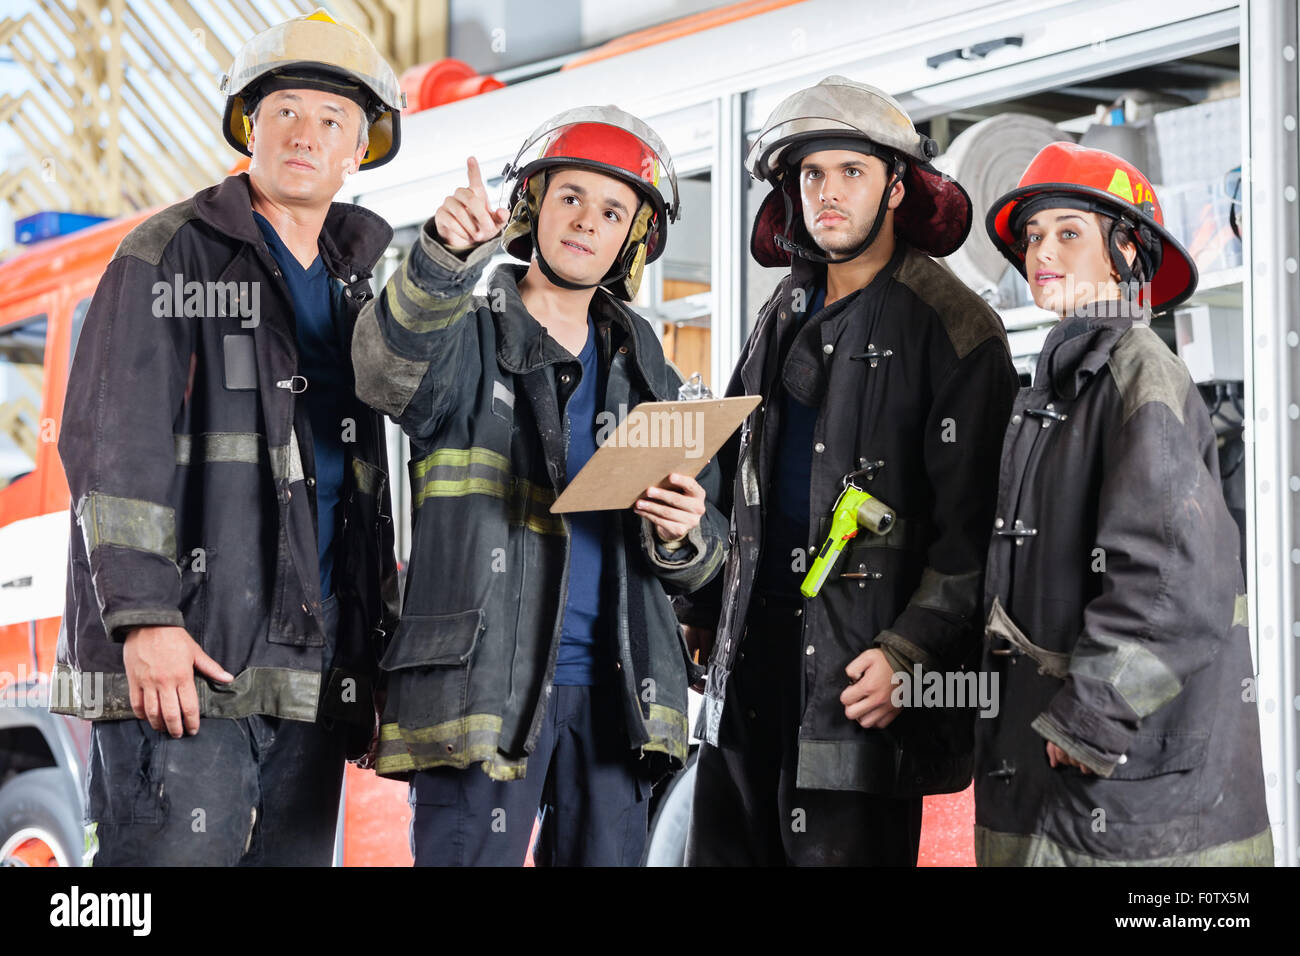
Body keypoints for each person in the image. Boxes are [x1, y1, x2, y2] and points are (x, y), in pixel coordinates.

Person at [53, 8, 403, 866]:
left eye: (332, 120)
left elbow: (354, 493)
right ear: (250, 124)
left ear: (358, 149)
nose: (304, 134)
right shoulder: (171, 256)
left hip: (306, 677)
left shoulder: (356, 289)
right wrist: (145, 621)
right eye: (284, 111)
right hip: (191, 666)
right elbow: (110, 442)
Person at [352, 106, 729, 866]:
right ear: (532, 207)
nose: (588, 221)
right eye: (571, 198)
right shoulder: (467, 329)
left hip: (619, 705)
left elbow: (705, 546)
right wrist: (438, 260)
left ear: (634, 239)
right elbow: (384, 372)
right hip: (483, 697)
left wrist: (682, 531)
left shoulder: (645, 360)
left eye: (613, 210)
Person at [675, 76, 1019, 866]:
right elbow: (734, 472)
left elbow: (977, 533)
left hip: (858, 693)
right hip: (747, 682)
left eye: (851, 173)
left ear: (896, 186)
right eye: (811, 176)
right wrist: (702, 608)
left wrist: (909, 653)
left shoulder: (957, 328)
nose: (828, 194)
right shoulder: (782, 309)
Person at [975, 141, 1273, 865]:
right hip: (1057, 784)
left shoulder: (1137, 372)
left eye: (1069, 234)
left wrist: (1094, 715)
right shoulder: (1062, 381)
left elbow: (1175, 579)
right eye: (1034, 237)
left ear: (1124, 254)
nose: (1043, 251)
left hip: (1128, 800)